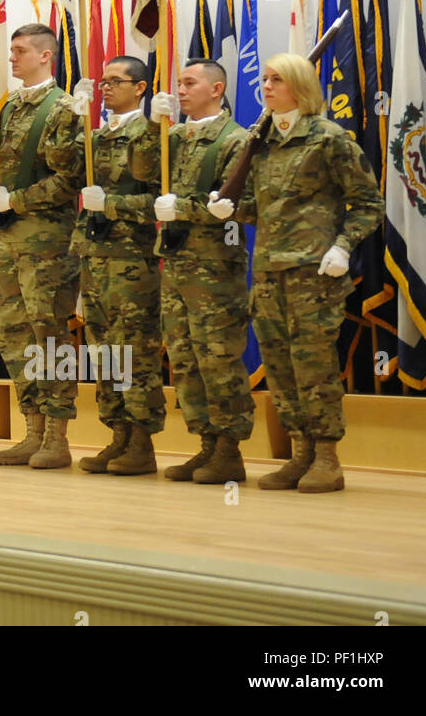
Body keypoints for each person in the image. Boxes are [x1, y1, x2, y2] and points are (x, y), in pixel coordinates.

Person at [207, 54, 382, 492]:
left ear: (299, 86)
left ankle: (327, 457)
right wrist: (231, 208)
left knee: (314, 366)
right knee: (280, 367)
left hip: (314, 275)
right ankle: (300, 453)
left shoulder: (328, 138)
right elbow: (261, 206)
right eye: (264, 79)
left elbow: (368, 204)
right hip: (268, 272)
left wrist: (343, 247)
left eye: (276, 79)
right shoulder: (260, 141)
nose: (265, 87)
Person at [147, 60, 255, 483]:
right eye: (179, 83)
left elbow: (240, 204)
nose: (182, 90)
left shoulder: (236, 140)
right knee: (185, 358)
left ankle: (229, 449)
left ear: (217, 88)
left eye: (190, 83)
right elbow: (140, 175)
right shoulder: (171, 137)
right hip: (175, 264)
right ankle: (205, 444)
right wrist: (149, 126)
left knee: (218, 359)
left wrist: (185, 209)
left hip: (214, 268)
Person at [0, 23, 82, 469]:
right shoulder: (6, 110)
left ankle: (57, 436)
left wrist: (18, 200)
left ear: (46, 56)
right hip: (6, 240)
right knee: (14, 336)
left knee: (49, 334)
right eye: (11, 50)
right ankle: (32, 430)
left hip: (46, 240)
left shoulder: (63, 108)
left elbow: (70, 179)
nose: (11, 58)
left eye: (20, 51)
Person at [70, 57, 163, 474]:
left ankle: (141, 441)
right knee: (105, 353)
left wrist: (111, 203)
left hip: (132, 261)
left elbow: (161, 203)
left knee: (133, 352)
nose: (105, 88)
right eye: (102, 82)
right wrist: (72, 123)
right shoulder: (95, 138)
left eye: (115, 81)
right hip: (95, 260)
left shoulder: (153, 136)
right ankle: (118, 433)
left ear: (140, 88)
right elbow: (63, 170)